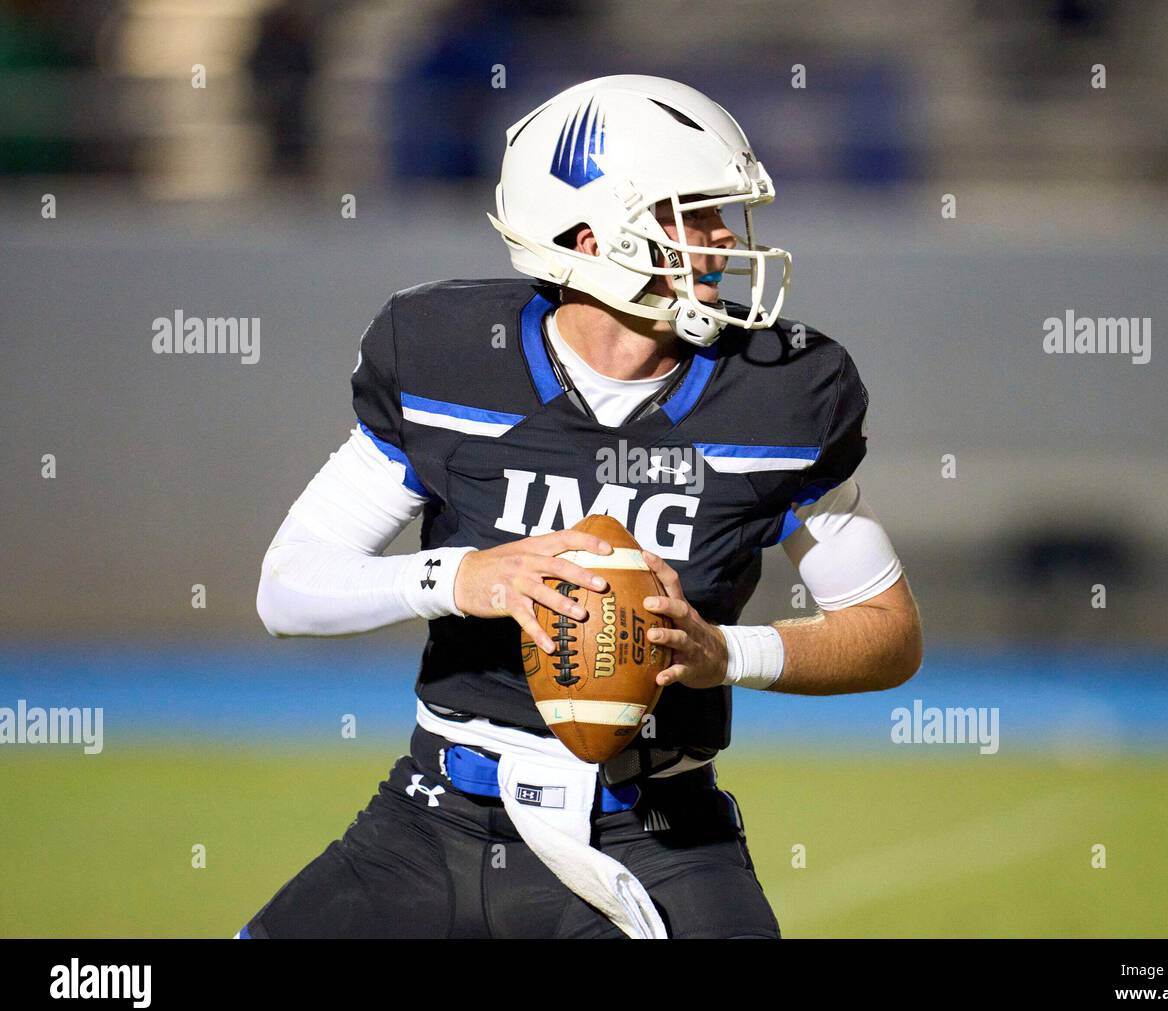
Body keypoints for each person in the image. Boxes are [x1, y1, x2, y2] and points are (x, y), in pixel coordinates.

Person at [237, 74, 922, 939]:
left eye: (725, 216)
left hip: (657, 826)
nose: (722, 242)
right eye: (693, 215)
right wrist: (462, 576)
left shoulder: (781, 393)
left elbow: (887, 631)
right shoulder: (449, 360)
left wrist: (726, 652)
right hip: (438, 817)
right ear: (593, 237)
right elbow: (288, 589)